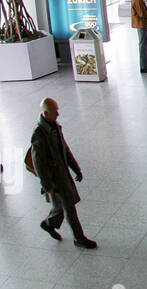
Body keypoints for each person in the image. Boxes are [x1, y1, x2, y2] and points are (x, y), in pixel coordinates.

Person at [31, 98, 98, 248]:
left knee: (60, 206)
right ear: (46, 113)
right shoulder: (39, 134)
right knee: (69, 208)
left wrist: (76, 168)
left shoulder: (54, 127)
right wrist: (47, 185)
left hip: (63, 174)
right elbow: (38, 164)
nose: (58, 114)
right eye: (55, 112)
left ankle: (49, 223)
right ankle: (79, 238)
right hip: (55, 180)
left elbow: (65, 150)